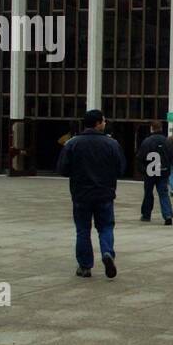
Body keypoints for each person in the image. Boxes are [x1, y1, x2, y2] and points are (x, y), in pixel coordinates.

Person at [56, 109, 126, 278]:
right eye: (103, 121)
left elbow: (63, 169)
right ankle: (107, 252)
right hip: (105, 193)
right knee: (106, 226)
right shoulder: (112, 144)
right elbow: (121, 169)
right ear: (97, 123)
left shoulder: (73, 143)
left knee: (82, 229)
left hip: (81, 194)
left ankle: (85, 266)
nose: (105, 123)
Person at [136, 122, 173, 225]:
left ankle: (146, 215)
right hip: (163, 170)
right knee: (163, 193)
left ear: (151, 128)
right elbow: (171, 156)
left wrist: (143, 170)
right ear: (161, 128)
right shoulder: (166, 141)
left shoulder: (147, 141)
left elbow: (140, 157)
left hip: (150, 171)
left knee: (148, 193)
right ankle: (168, 215)